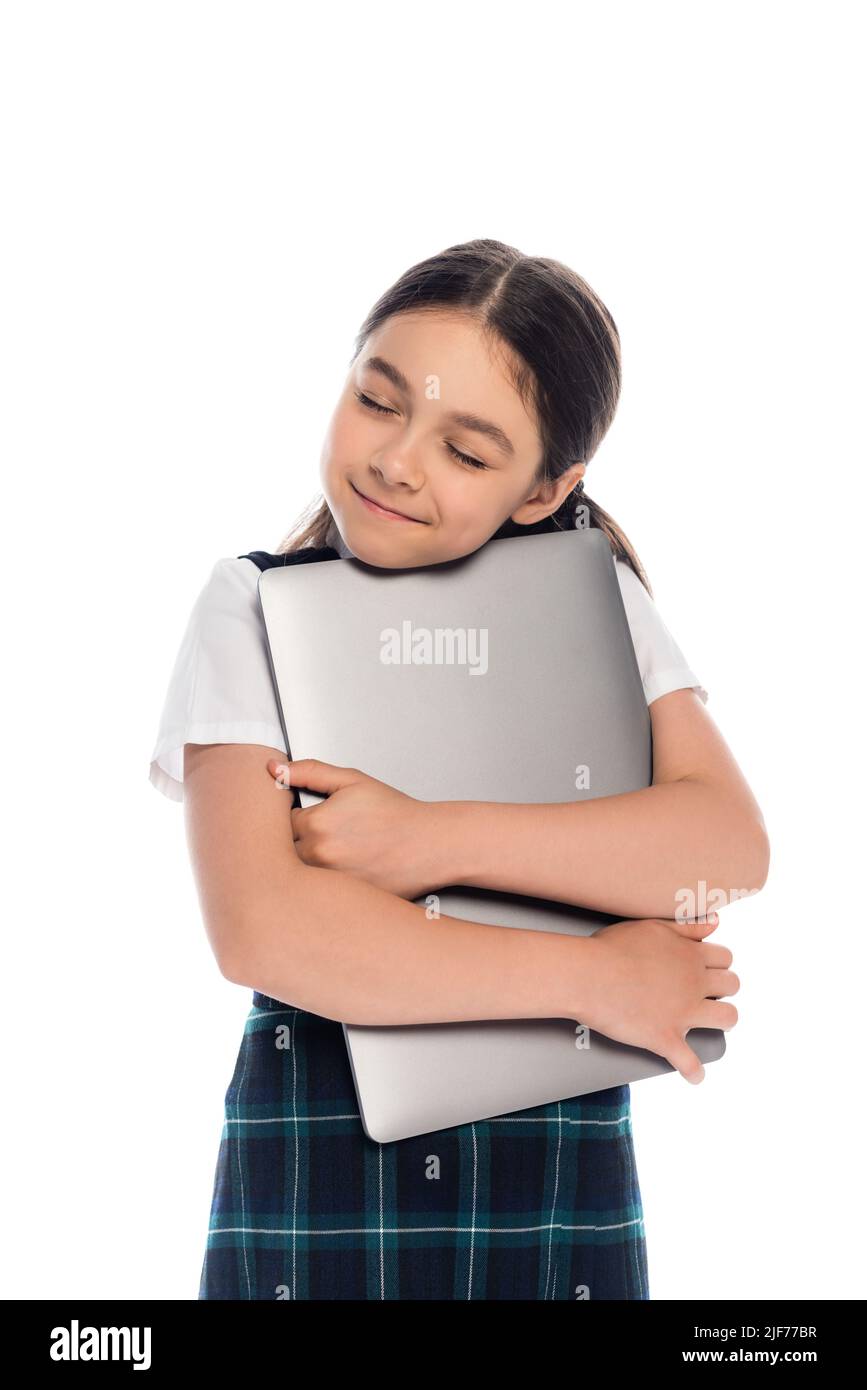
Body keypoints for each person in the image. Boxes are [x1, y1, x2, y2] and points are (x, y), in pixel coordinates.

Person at [149, 238, 767, 1300]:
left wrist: (429, 837)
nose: (397, 461)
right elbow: (264, 930)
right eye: (376, 400)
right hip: (318, 1170)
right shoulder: (250, 605)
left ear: (545, 488)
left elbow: (724, 848)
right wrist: (593, 978)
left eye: (467, 453)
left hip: (559, 1180)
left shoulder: (598, 603)